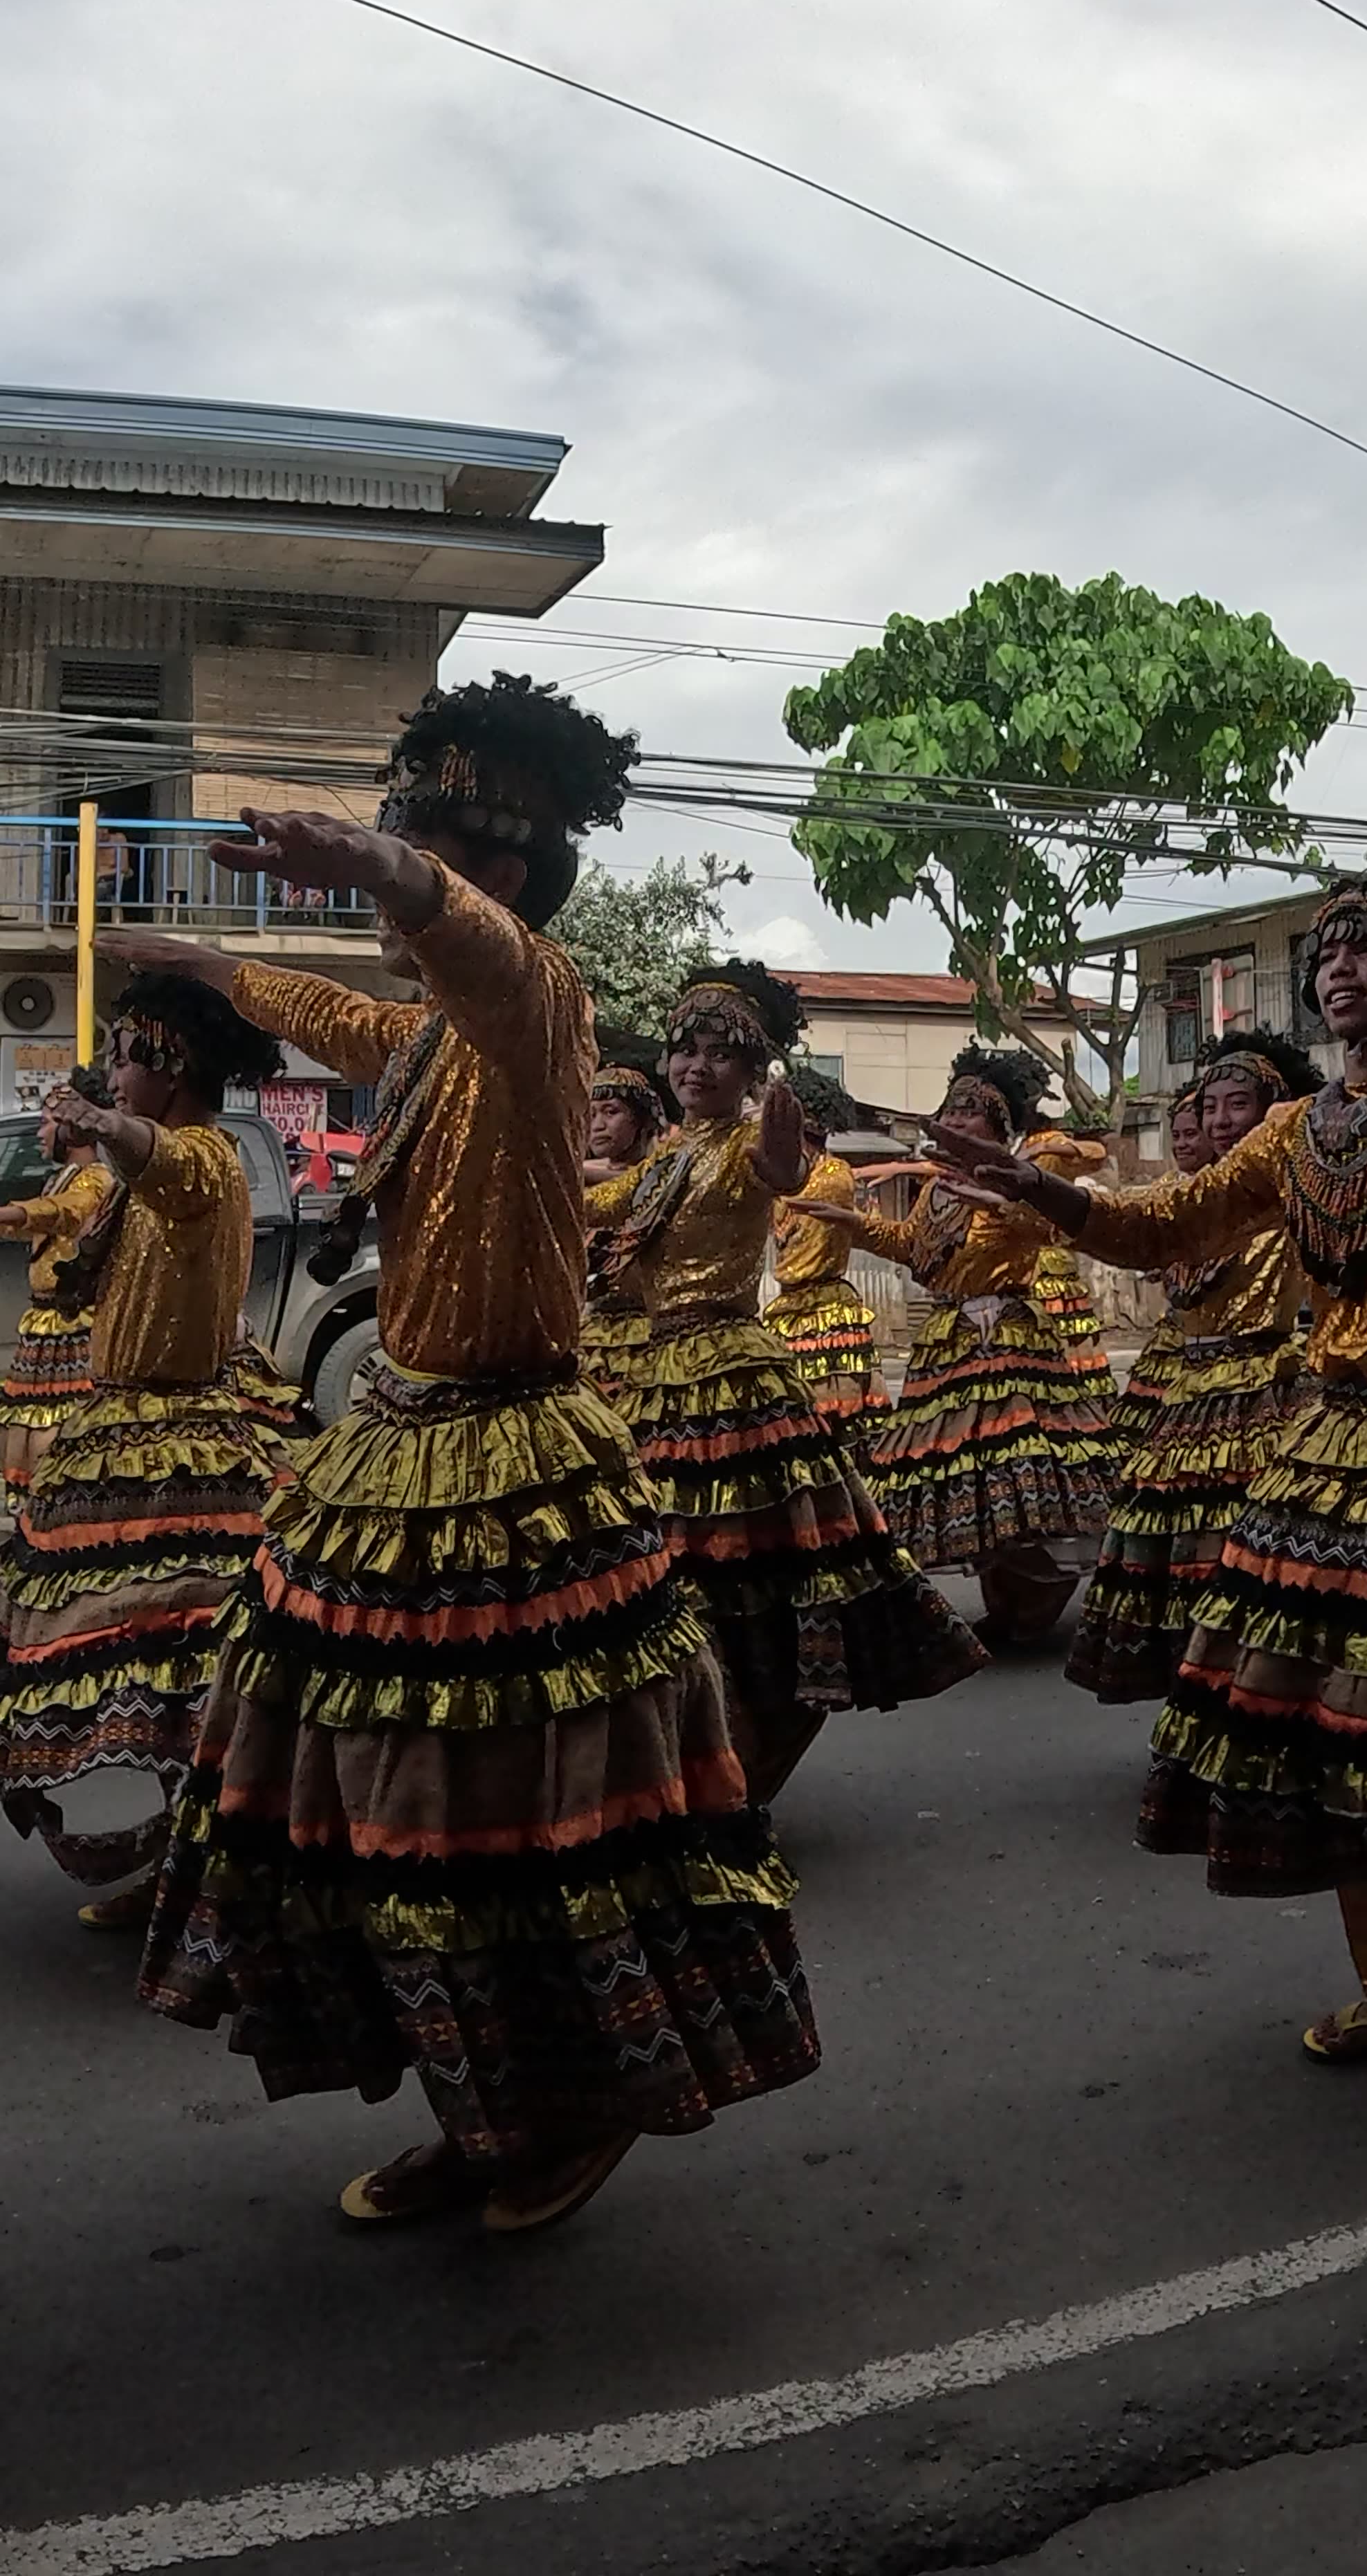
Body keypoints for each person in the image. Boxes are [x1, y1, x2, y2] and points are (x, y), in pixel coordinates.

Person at [138, 674, 819, 2229]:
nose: (396, 889)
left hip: (514, 1469)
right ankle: (486, 2102)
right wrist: (206, 965)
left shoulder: (537, 999)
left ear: (497, 871)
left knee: (508, 1812)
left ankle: (566, 2104)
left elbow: (471, 945)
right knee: (388, 1812)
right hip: (392, 1451)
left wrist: (374, 862)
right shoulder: (432, 1038)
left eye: (426, 853)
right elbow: (332, 1014)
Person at [923, 853, 1367, 2064]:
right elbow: (1164, 1223)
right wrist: (1039, 1189)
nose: (1338, 967)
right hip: (1326, 1454)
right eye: (1326, 951)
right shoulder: (1297, 1130)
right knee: (1323, 1735)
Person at [584, 962, 982, 1803]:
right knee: (661, 1570)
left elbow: (783, 1173)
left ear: (750, 1069)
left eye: (719, 1054)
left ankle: (737, 1753)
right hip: (654, 1378)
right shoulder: (667, 1156)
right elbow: (599, 1203)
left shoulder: (743, 1145)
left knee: (744, 1574)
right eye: (685, 1050)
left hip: (732, 1380)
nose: (697, 1067)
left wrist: (776, 1138)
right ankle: (701, 1753)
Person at [0, 975, 286, 1924]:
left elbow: (158, 1156)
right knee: (160, 1678)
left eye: (127, 1058)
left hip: (180, 1454)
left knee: (183, 1674)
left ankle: (209, 1884)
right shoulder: (144, 1176)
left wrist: (98, 1120)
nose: (116, 1075)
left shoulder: (203, 1157)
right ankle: (184, 1868)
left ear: (174, 1065)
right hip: (125, 1435)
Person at [804, 1045, 1118, 1648]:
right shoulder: (937, 1189)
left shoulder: (1023, 1177)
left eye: (968, 1113)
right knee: (961, 1477)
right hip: (948, 1341)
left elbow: (1049, 1230)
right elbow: (914, 1249)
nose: (953, 1121)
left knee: (1021, 1472)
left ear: (997, 1128)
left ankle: (1035, 1603)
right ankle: (1003, 1605)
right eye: (949, 1111)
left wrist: (1008, 1201)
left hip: (1008, 1340)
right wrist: (851, 1225)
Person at [1065, 1033, 1319, 1708]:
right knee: (1174, 1548)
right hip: (1189, 1394)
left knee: (1257, 1555)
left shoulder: (1294, 1180)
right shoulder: (1190, 1199)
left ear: (1272, 1108)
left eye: (1240, 1105)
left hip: (1268, 1392)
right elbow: (1134, 1227)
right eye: (1210, 1107)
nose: (1221, 1121)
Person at [0, 1068, 117, 1512]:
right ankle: (30, 1511)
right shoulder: (62, 1177)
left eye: (47, 1123)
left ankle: (55, 1511)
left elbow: (64, 1212)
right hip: (45, 1322)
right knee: (24, 1420)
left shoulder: (96, 1180)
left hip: (72, 1322)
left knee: (56, 1420)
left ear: (73, 1128)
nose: (40, 1132)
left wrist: (10, 1213)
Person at [762, 1066, 890, 1455]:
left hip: (825, 1309)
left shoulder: (833, 1175)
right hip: (787, 1307)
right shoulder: (781, 1173)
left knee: (827, 1419)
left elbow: (796, 1204)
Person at [1110, 1087, 1212, 1451]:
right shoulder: (1165, 1189)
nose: (1182, 1145)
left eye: (1191, 1135)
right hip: (1173, 1334)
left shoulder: (1232, 1189)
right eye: (1177, 1136)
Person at [581, 1062, 666, 1406]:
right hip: (591, 1330)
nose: (597, 1125)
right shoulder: (585, 1175)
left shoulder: (665, 1173)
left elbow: (638, 1182)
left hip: (651, 1333)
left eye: (611, 1112)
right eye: (591, 1114)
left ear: (642, 1121)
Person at [1020, 1130, 1118, 1404]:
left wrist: (1045, 1148)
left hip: (1050, 1265)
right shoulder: (1021, 1151)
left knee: (1059, 1327)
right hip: (1030, 1264)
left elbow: (1096, 1151)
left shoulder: (1047, 1146)